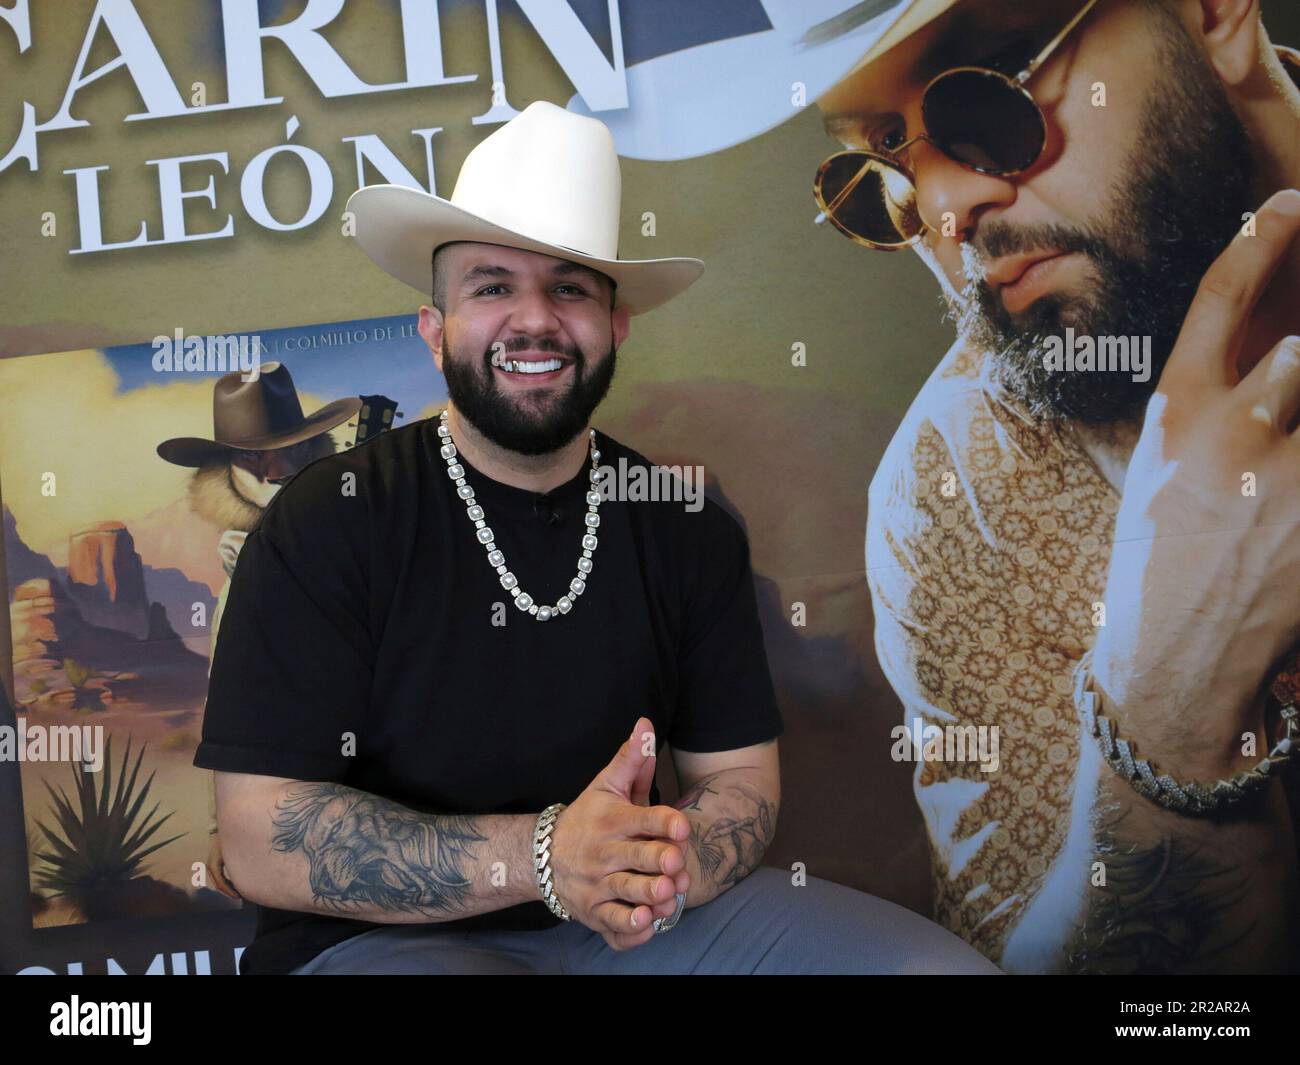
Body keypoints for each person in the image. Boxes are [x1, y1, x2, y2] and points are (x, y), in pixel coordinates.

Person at [193, 101, 998, 974]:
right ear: (436, 333)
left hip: (648, 920)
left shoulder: (684, 524)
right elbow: (256, 839)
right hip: (381, 941)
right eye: (492, 286)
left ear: (615, 327)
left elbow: (742, 784)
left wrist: (658, 870)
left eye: (569, 287)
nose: (534, 320)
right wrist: (546, 857)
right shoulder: (325, 520)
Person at [807, 0, 1300, 971]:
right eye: (888, 161)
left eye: (985, 91)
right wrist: (1172, 700)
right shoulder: (955, 487)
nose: (946, 212)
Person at [158, 363, 360, 901]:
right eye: (252, 455)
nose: (274, 468)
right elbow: (230, 705)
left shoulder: (364, 525)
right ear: (226, 469)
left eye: (291, 448)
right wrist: (222, 824)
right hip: (287, 794)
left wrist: (284, 563)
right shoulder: (234, 573)